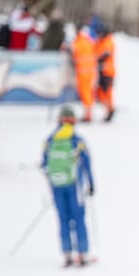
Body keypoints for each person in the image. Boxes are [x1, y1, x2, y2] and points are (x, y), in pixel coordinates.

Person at [41, 105, 95, 267]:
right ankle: (83, 253)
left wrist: (54, 180)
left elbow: (44, 165)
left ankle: (67, 254)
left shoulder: (49, 141)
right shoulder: (77, 142)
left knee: (63, 219)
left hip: (57, 185)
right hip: (75, 186)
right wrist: (91, 185)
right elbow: (87, 165)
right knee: (78, 219)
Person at [91, 17, 116, 122]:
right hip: (101, 70)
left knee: (107, 91)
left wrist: (97, 59)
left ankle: (110, 109)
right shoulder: (100, 41)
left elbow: (106, 53)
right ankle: (106, 108)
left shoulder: (108, 41)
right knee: (101, 92)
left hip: (108, 71)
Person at [71, 23, 97, 122]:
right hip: (90, 72)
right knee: (88, 92)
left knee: (85, 92)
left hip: (83, 72)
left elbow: (74, 55)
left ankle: (88, 113)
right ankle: (88, 112)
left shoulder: (78, 43)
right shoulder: (89, 42)